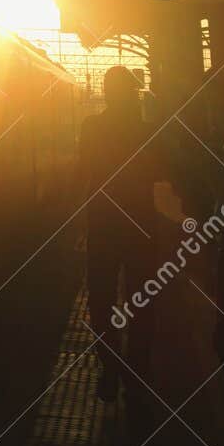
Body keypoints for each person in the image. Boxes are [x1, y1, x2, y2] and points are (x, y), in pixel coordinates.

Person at [81, 66, 161, 418]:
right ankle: (137, 377)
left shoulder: (92, 128)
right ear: (131, 94)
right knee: (141, 303)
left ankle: (111, 368)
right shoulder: (147, 132)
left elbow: (84, 176)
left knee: (101, 300)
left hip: (102, 227)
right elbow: (161, 173)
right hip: (139, 230)